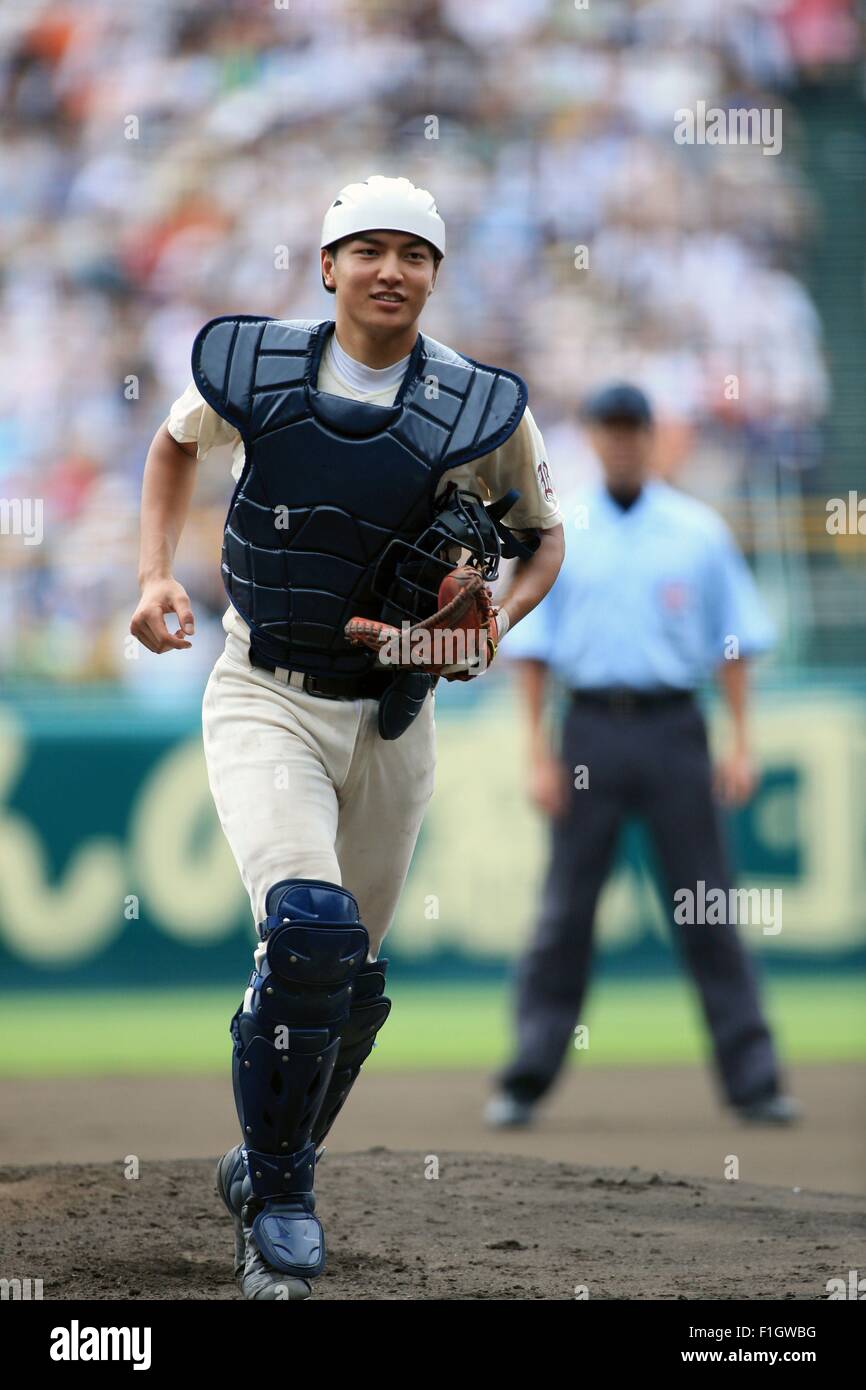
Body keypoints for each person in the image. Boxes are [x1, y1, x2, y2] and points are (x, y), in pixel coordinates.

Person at [130, 175, 565, 1299]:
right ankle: (279, 1202)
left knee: (351, 985)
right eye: (366, 248)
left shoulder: (481, 409)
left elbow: (540, 540)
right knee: (311, 931)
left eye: (412, 253)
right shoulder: (260, 371)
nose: (389, 269)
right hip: (265, 688)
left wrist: (491, 625)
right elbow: (174, 449)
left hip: (392, 710)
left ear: (434, 274)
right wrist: (151, 576)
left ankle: (269, 1158)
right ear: (326, 266)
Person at [485, 382, 800, 1131]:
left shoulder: (697, 532)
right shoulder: (562, 527)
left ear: (652, 437)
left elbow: (735, 645)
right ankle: (526, 1078)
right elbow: (530, 650)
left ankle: (753, 1080)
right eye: (610, 428)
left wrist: (741, 740)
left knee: (708, 907)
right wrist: (536, 752)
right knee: (566, 912)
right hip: (589, 728)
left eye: (634, 429)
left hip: (674, 728)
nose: (622, 441)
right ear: (593, 437)